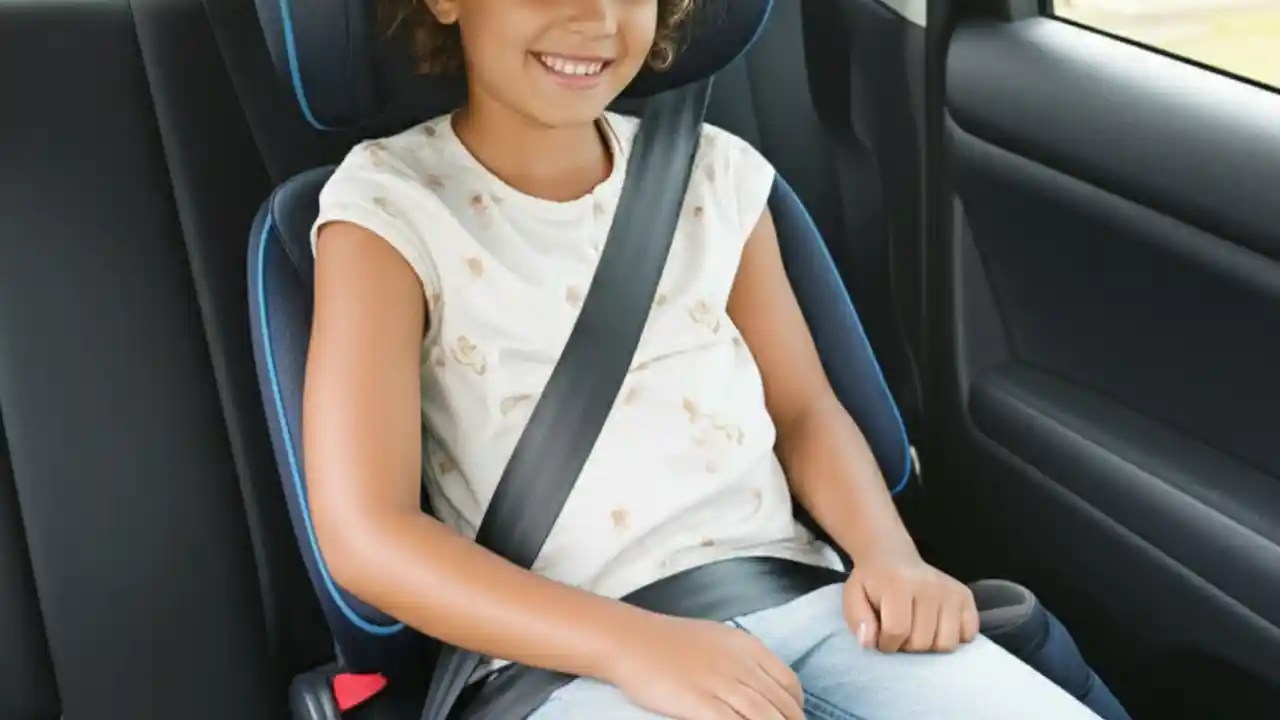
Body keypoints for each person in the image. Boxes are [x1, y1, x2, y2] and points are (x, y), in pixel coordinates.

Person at [302, 1, 1101, 717]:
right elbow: (369, 534)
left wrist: (890, 555)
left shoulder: (709, 176)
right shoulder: (388, 210)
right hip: (566, 657)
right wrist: (633, 645)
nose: (597, 18)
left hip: (808, 604)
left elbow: (804, 412)